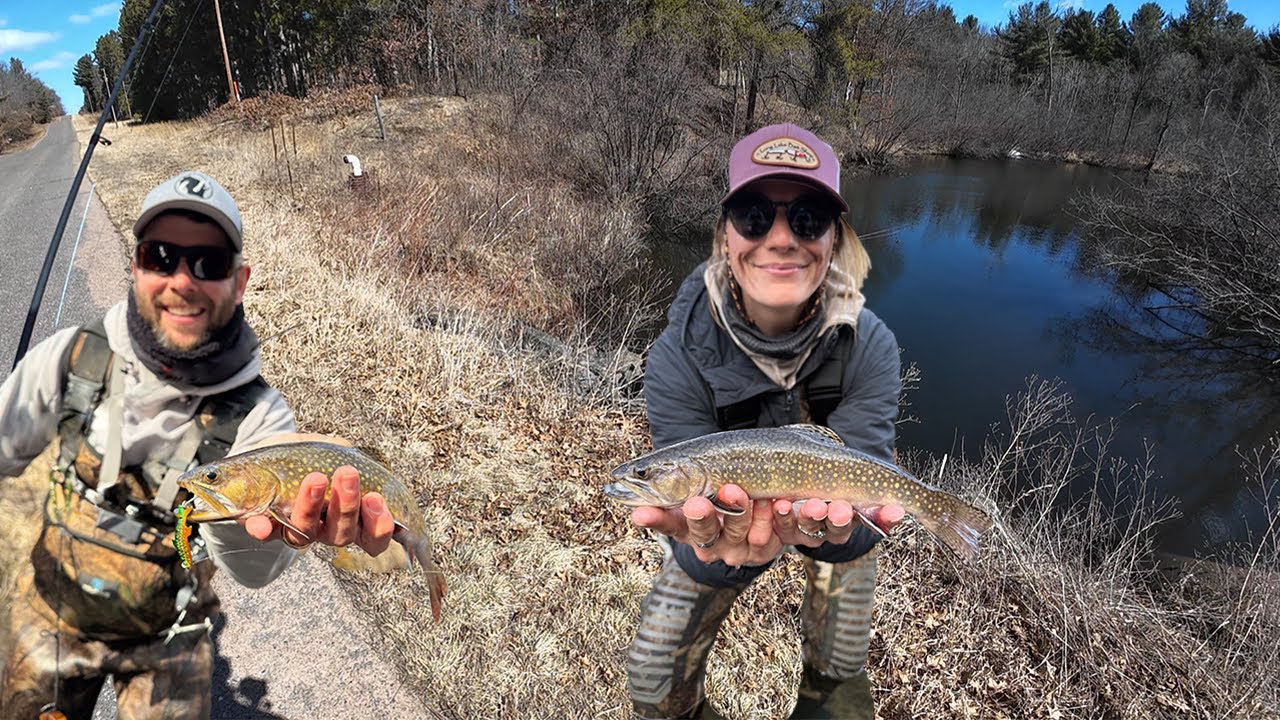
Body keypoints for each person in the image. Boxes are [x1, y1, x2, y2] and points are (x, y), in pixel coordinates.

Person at [0, 171, 395, 719]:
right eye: (161, 256)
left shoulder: (263, 419)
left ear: (240, 280)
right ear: (135, 266)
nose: (182, 281)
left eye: (208, 263)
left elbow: (255, 572)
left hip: (171, 631)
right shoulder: (70, 355)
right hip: (49, 608)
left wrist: (252, 512)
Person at [625, 125, 907, 719]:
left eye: (806, 219)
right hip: (722, 529)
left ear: (834, 240)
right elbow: (689, 513)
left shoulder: (871, 347)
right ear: (725, 236)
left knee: (839, 695)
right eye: (754, 215)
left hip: (832, 518)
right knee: (652, 685)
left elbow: (865, 511)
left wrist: (837, 531)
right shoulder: (677, 353)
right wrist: (708, 543)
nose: (780, 238)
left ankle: (827, 686)